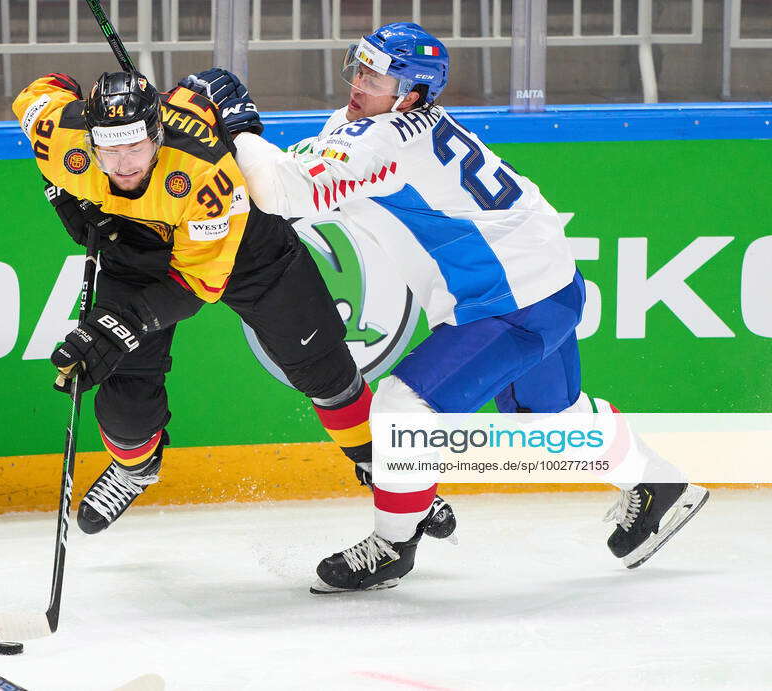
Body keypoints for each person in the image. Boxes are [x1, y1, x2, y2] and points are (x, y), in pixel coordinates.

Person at [179, 22, 709, 593]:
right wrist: (231, 140)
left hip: (508, 300)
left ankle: (393, 545)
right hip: (548, 282)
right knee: (550, 417)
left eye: (375, 78)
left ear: (410, 94)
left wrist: (234, 125)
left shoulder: (381, 142)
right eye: (359, 69)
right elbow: (294, 182)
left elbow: (281, 191)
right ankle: (661, 483)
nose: (358, 84)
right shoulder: (375, 129)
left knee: (400, 408)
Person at [11, 70, 458, 542]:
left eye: (136, 148)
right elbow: (40, 89)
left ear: (157, 135)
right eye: (109, 149)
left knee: (325, 371)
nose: (123, 165)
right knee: (125, 412)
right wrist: (66, 196)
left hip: (246, 250)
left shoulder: (204, 171)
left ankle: (385, 470)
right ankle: (134, 469)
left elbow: (196, 284)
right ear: (88, 138)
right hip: (135, 252)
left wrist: (117, 326)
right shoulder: (60, 137)